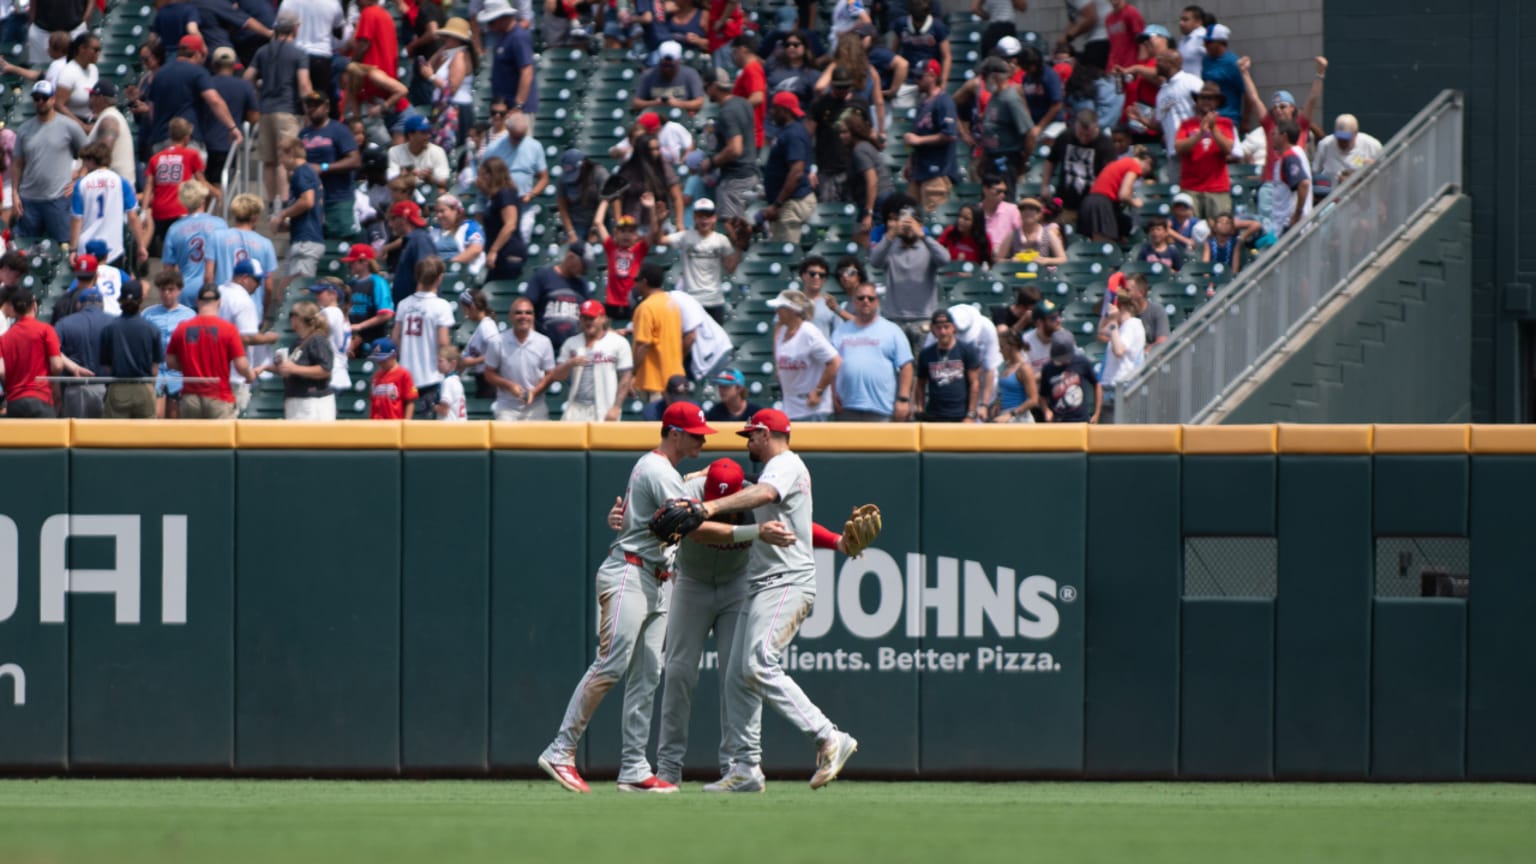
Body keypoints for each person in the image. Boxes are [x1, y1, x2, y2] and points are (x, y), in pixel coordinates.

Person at [537, 401, 727, 794]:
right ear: (674, 433)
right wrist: (752, 533)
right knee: (610, 665)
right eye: (695, 435)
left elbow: (686, 489)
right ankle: (560, 749)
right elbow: (696, 526)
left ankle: (634, 767)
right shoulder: (657, 469)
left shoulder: (663, 471)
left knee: (647, 675)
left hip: (656, 578)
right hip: (629, 571)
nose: (701, 441)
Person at [691, 408, 860, 792]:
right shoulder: (775, 471)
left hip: (786, 582)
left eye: (751, 434)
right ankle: (746, 768)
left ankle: (827, 736)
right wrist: (835, 540)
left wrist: (712, 505)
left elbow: (765, 493)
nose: (747, 440)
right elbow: (795, 523)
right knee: (738, 675)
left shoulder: (784, 464)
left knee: (757, 663)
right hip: (765, 583)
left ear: (767, 434)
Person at [12, 80, 89, 242]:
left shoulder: (69, 126)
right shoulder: (24, 129)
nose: (40, 101)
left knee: (64, 246)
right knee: (24, 249)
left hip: (58, 199)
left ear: (53, 99)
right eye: (36, 98)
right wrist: (14, 193)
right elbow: (18, 163)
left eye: (44, 97)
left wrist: (80, 179)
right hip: (29, 199)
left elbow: (88, 154)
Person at [248, 16, 312, 207]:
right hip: (288, 110)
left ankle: (269, 203)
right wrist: (308, 110)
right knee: (285, 159)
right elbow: (304, 84)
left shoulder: (262, 51)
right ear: (294, 28)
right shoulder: (299, 53)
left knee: (268, 160)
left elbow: (247, 76)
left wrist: (258, 92)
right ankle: (284, 202)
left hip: (266, 110)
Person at [165, 285, 255, 419]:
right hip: (219, 397)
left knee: (192, 440)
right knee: (220, 440)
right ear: (219, 302)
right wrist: (250, 376)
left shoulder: (182, 328)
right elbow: (241, 365)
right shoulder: (229, 330)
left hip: (190, 397)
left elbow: (170, 361)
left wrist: (190, 367)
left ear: (197, 302)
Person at [1, 289, 92, 418]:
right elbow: (57, 365)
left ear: (15, 310)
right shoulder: (46, 330)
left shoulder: (5, 337)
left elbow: (1, 371)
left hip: (15, 402)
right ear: (34, 305)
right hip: (41, 398)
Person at [145, 35, 242, 154]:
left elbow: (151, 109)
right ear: (197, 54)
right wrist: (232, 127)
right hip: (187, 140)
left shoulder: (160, 74)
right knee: (192, 173)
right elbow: (214, 100)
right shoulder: (198, 72)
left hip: (160, 142)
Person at [831, 284, 914, 421]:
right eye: (861, 298)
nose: (866, 301)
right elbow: (831, 365)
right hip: (846, 407)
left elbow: (906, 366)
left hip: (882, 408)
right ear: (854, 301)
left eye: (870, 298)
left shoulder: (892, 331)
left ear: (877, 302)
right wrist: (832, 395)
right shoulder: (840, 331)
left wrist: (903, 399)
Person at [870, 206, 950, 347]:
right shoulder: (890, 247)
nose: (908, 228)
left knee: (922, 365)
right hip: (894, 318)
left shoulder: (928, 247)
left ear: (919, 225)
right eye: (904, 223)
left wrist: (923, 235)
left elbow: (945, 259)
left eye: (911, 223)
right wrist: (890, 235)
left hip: (924, 319)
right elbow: (874, 261)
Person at [546, 299, 633, 422]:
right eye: (584, 318)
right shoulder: (571, 343)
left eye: (592, 318)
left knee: (603, 441)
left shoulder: (618, 342)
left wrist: (616, 407)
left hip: (605, 407)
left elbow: (625, 377)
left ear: (602, 318)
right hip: (576, 407)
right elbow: (557, 376)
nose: (588, 322)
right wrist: (569, 363)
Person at [693, 67, 760, 221]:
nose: (705, 92)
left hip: (735, 179)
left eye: (706, 87)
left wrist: (710, 162)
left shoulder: (727, 112)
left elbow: (735, 149)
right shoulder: (744, 103)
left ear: (714, 86)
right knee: (744, 228)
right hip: (750, 174)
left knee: (732, 227)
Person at [392, 256, 456, 417]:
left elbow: (395, 338)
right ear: (439, 278)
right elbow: (443, 342)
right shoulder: (441, 305)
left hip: (406, 376)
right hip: (430, 376)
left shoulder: (404, 304)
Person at [70, 142, 150, 269]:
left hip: (86, 248)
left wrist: (73, 249)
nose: (84, 165)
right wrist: (141, 245)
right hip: (112, 249)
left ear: (92, 160)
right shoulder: (121, 182)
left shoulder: (81, 184)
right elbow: (133, 217)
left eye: (85, 161)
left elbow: (77, 219)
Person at [661, 198, 739, 323]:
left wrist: (739, 248)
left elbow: (730, 268)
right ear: (694, 217)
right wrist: (658, 221)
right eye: (700, 216)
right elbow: (659, 240)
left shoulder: (721, 240)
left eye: (708, 216)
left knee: (714, 341)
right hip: (692, 300)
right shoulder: (685, 236)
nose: (704, 220)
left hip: (715, 301)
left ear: (714, 218)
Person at [144, 119, 211, 263]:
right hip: (181, 208)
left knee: (167, 245)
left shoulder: (156, 157)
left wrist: (144, 210)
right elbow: (201, 181)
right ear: (186, 137)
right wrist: (216, 193)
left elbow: (148, 186)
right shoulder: (191, 155)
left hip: (160, 210)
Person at [769, 289, 840, 422]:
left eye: (780, 307)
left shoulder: (809, 332)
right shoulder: (782, 331)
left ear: (793, 310)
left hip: (813, 410)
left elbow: (835, 361)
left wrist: (818, 391)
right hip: (791, 409)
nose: (776, 311)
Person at [297, 92, 361, 239]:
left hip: (338, 199)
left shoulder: (339, 130)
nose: (311, 109)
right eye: (308, 106)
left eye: (316, 106)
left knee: (341, 244)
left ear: (326, 107)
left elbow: (355, 160)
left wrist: (323, 167)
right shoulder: (303, 134)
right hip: (313, 201)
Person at [96, 281, 162, 419]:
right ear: (141, 299)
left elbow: (107, 367)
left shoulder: (109, 329)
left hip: (119, 387)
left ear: (121, 299)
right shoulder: (152, 329)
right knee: (146, 437)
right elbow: (155, 369)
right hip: (144, 387)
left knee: (116, 437)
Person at [208, 194, 280, 320]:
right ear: (255, 217)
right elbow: (268, 287)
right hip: (252, 310)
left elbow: (208, 276)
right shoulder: (265, 244)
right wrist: (264, 313)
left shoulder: (216, 237)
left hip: (222, 308)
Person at [484, 295, 556, 421]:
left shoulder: (544, 342)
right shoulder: (497, 341)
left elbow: (550, 374)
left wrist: (534, 392)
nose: (524, 316)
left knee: (539, 441)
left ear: (533, 316)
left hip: (536, 406)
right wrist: (509, 386)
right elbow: (489, 373)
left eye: (528, 313)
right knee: (505, 441)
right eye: (518, 313)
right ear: (510, 316)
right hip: (507, 407)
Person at [1042, 109, 1116, 225]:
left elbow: (1111, 175)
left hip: (1091, 205)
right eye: (1080, 134)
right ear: (1076, 126)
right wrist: (1045, 185)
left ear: (1096, 127)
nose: (1083, 139)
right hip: (1064, 202)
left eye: (1088, 135)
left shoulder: (1106, 145)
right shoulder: (1065, 137)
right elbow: (1050, 161)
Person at [265, 299, 336, 420]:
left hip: (313, 402)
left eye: (291, 315)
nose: (290, 319)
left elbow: (325, 369)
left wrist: (295, 369)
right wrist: (267, 367)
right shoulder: (298, 342)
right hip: (297, 400)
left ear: (299, 318)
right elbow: (291, 370)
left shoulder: (317, 340)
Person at [903, 59, 958, 214]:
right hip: (919, 171)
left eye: (920, 77)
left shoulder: (944, 101)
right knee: (910, 216)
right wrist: (910, 161)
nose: (916, 80)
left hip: (937, 173)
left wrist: (919, 140)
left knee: (933, 217)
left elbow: (949, 135)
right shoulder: (923, 103)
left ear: (932, 76)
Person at [1175, 82, 1234, 218]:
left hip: (1217, 188)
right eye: (1203, 98)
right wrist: (1200, 133)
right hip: (1191, 188)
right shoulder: (1186, 124)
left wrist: (1213, 129)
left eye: (1210, 98)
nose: (1206, 101)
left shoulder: (1226, 123)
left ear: (1217, 102)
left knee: (1219, 229)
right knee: (1192, 230)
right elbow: (1179, 148)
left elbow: (1228, 149)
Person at [143, 270, 197, 417]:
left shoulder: (190, 315)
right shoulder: (148, 314)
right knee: (157, 415)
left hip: (178, 374)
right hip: (157, 374)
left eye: (171, 289)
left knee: (175, 415)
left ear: (179, 290)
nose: (167, 293)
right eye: (163, 289)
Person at [914, 308, 980, 422]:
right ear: (932, 329)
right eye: (938, 328)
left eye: (946, 327)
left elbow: (974, 383)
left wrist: (971, 414)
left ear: (953, 327)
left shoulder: (966, 350)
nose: (943, 331)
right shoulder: (926, 354)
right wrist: (920, 408)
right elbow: (920, 383)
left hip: (960, 415)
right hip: (934, 415)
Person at [53, 286, 111, 417]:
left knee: (75, 434)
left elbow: (52, 352)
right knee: (102, 435)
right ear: (101, 304)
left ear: (79, 304)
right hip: (106, 389)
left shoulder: (64, 323)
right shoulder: (114, 322)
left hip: (75, 388)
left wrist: (73, 367)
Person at [630, 262, 685, 400]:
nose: (636, 285)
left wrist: (632, 373)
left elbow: (643, 344)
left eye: (637, 281)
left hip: (655, 382)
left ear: (644, 282)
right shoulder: (672, 304)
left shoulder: (646, 307)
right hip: (676, 379)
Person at [1078, 145, 1152, 243]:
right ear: (1147, 161)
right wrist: (1134, 202)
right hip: (1101, 203)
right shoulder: (1134, 165)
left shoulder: (1119, 162)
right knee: (1105, 246)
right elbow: (1124, 195)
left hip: (1091, 201)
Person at [526, 242, 590, 354]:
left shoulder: (582, 285)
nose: (585, 270)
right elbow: (527, 306)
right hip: (544, 347)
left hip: (573, 349)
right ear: (571, 256)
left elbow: (589, 315)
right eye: (583, 264)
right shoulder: (543, 276)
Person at [1095, 290, 1145, 423]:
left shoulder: (1132, 324)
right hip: (1110, 390)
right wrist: (1106, 316)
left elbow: (1119, 350)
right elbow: (1101, 330)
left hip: (1120, 390)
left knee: (1117, 440)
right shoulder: (1118, 327)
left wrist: (1112, 320)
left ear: (1120, 306)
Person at [841, 112, 891, 245]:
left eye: (845, 132)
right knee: (859, 238)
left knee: (869, 240)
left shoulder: (859, 150)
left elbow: (872, 181)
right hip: (877, 200)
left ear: (854, 131)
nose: (841, 136)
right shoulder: (864, 147)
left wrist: (869, 212)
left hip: (876, 201)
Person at [477, 157, 526, 281]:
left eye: (483, 175)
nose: (480, 179)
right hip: (498, 256)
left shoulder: (505, 194)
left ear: (491, 175)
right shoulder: (493, 198)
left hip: (507, 254)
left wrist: (494, 250)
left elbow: (510, 224)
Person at [341, 244, 395, 355]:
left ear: (364, 262)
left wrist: (360, 326)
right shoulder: (351, 284)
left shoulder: (378, 282)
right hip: (353, 340)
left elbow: (386, 314)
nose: (349, 265)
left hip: (372, 341)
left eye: (353, 262)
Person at [595, 212, 648, 321]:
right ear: (616, 233)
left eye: (630, 232)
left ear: (636, 235)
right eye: (623, 231)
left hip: (631, 302)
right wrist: (605, 200)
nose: (626, 235)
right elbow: (598, 223)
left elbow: (654, 232)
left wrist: (651, 209)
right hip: (612, 302)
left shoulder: (639, 250)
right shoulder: (611, 248)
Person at [1040, 329, 1100, 423]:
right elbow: (1042, 395)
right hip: (1058, 422)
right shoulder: (1047, 368)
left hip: (1080, 420)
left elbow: (1096, 385)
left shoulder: (1082, 362)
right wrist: (1046, 410)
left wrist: (1096, 413)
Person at [83, 81, 135, 187]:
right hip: (112, 188)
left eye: (91, 95)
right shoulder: (108, 116)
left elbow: (103, 154)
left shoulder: (109, 119)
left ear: (100, 98)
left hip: (115, 190)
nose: (89, 99)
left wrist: (82, 175)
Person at [388, 200, 439, 305]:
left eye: (393, 218)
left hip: (421, 308)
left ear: (404, 219)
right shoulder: (412, 241)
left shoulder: (420, 240)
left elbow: (427, 275)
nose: (390, 224)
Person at [1266, 121, 1312, 236]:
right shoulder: (1291, 155)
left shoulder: (1290, 157)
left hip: (1289, 226)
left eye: (1274, 134)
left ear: (1284, 136)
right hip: (1286, 224)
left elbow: (1303, 184)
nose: (1272, 137)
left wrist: (1297, 215)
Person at [1312, 114, 1382, 189]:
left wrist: (1372, 169)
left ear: (1355, 134)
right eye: (1339, 138)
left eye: (1346, 138)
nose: (1342, 142)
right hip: (1333, 196)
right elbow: (1315, 172)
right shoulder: (1325, 144)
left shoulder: (1372, 146)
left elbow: (1385, 174)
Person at [634, 40, 705, 113]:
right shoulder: (648, 74)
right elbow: (636, 103)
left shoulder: (690, 74)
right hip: (656, 117)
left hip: (682, 117)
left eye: (671, 65)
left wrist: (677, 104)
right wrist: (655, 103)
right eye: (664, 65)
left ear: (678, 61)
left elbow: (699, 103)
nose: (667, 68)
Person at [556, 148, 608, 247]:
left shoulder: (598, 173)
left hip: (600, 220)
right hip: (576, 223)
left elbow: (605, 202)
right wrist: (571, 233)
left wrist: (594, 230)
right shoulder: (563, 179)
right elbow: (562, 208)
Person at [308, 278, 351, 395]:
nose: (317, 296)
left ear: (333, 294)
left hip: (331, 375)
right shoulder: (341, 314)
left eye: (320, 293)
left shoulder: (329, 312)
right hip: (340, 373)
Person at [388, 114, 451, 191]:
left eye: (428, 132)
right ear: (410, 135)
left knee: (441, 191)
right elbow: (391, 182)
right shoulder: (395, 152)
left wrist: (430, 178)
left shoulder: (438, 151)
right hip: (405, 195)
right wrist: (408, 176)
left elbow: (444, 183)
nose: (428, 136)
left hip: (430, 196)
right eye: (423, 132)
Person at [990, 329, 1038, 421]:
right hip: (1004, 417)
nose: (1000, 350)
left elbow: (1033, 400)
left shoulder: (1024, 369)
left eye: (1002, 347)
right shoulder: (1004, 366)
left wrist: (1011, 414)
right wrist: (997, 403)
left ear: (1011, 347)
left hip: (1020, 419)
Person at [1198, 23, 1241, 127]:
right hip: (1207, 116)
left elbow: (1246, 93)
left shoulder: (1233, 63)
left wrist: (1246, 120)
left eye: (1208, 42)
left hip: (1228, 116)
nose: (1205, 44)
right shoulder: (1206, 61)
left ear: (1220, 43)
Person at [431, 195, 486, 273]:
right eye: (436, 212)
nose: (438, 215)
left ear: (455, 211)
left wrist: (449, 265)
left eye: (442, 211)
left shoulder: (470, 227)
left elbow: (476, 249)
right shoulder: (434, 230)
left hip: (463, 273)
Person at [367, 338, 416, 419]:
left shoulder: (404, 374)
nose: (380, 362)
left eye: (383, 360)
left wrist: (406, 424)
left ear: (393, 356)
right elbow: (373, 402)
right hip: (376, 424)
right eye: (377, 359)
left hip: (394, 423)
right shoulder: (376, 376)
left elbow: (410, 402)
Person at [1014, 197, 1067, 266]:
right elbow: (999, 259)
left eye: (1032, 209)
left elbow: (1062, 258)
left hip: (1044, 269)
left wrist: (1046, 260)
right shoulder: (1014, 234)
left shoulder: (1051, 230)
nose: (1028, 212)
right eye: (1024, 209)